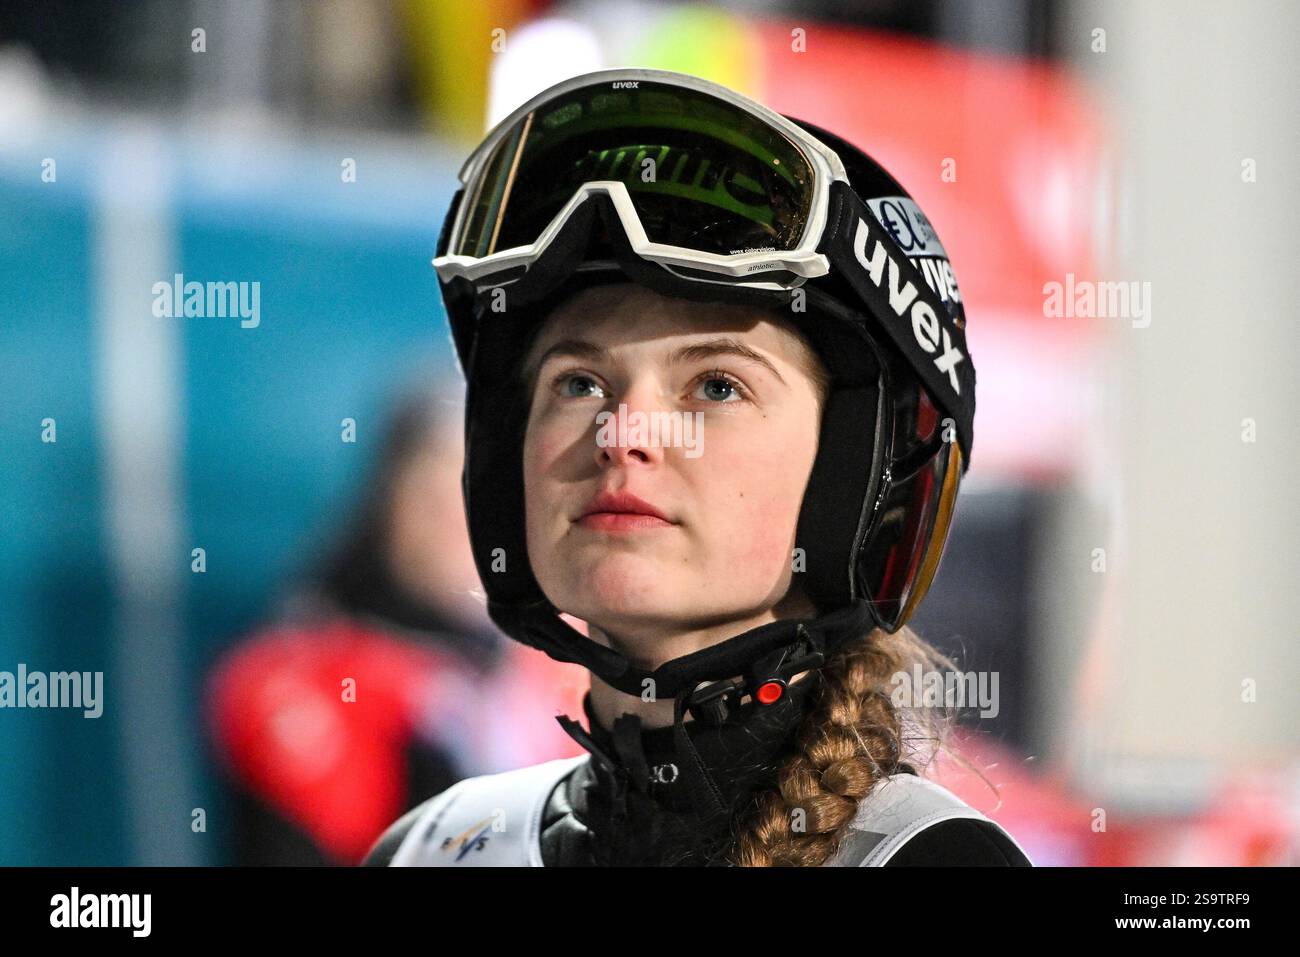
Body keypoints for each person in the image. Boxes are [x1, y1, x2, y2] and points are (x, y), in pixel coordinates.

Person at [365, 68, 1033, 867]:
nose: (623, 433)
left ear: (860, 480)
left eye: (717, 384)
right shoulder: (431, 849)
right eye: (579, 382)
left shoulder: (929, 863)